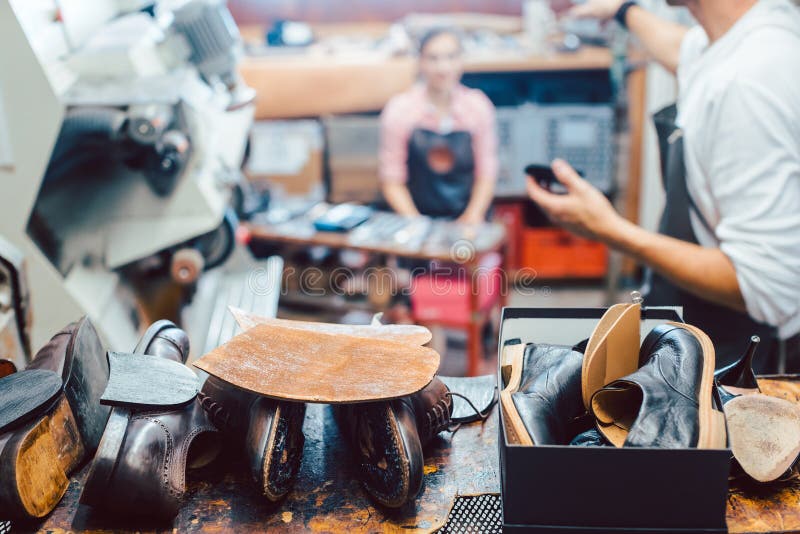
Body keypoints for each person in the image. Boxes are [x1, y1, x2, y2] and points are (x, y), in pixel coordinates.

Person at [526, 0, 800, 371]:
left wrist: (609, 229)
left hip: (752, 352)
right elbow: (682, 48)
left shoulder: (749, 81)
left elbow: (762, 285)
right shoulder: (747, 33)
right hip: (708, 321)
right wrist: (622, 10)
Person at [379, 27, 498, 224]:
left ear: (461, 60)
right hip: (415, 216)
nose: (443, 68)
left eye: (451, 57)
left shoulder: (478, 107)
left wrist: (472, 216)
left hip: (466, 215)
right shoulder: (400, 110)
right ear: (420, 62)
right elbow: (391, 179)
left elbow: (487, 173)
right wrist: (416, 224)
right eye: (433, 58)